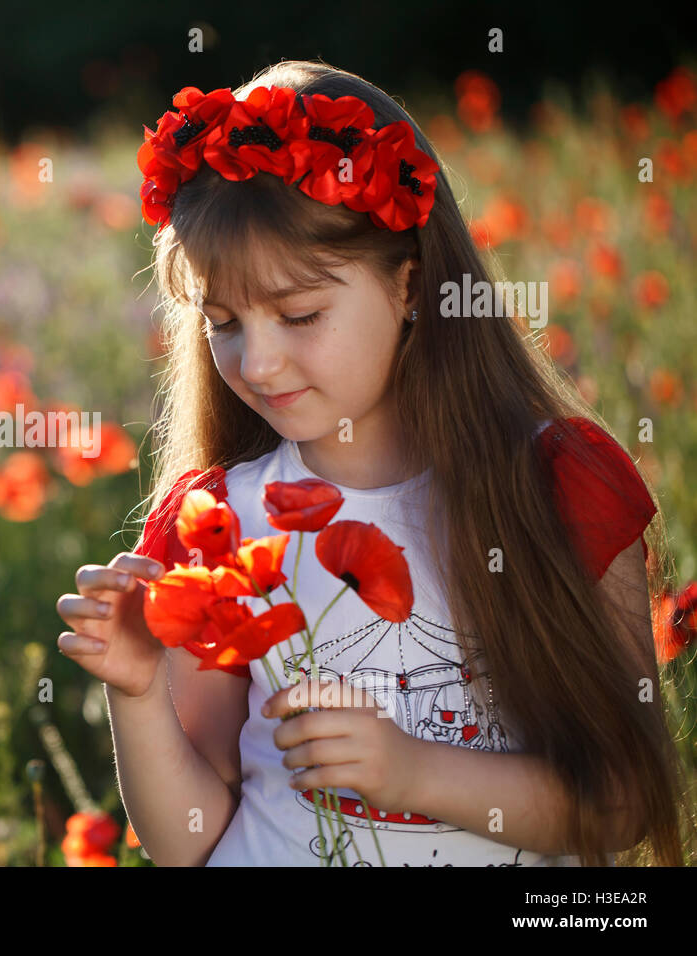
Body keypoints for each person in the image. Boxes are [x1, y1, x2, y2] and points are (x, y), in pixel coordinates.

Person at [55, 59, 690, 866]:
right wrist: (139, 693)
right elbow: (189, 843)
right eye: (222, 322)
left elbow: (620, 806)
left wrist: (414, 771)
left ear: (411, 285)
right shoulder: (215, 520)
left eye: (299, 313)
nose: (257, 362)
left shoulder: (558, 486)